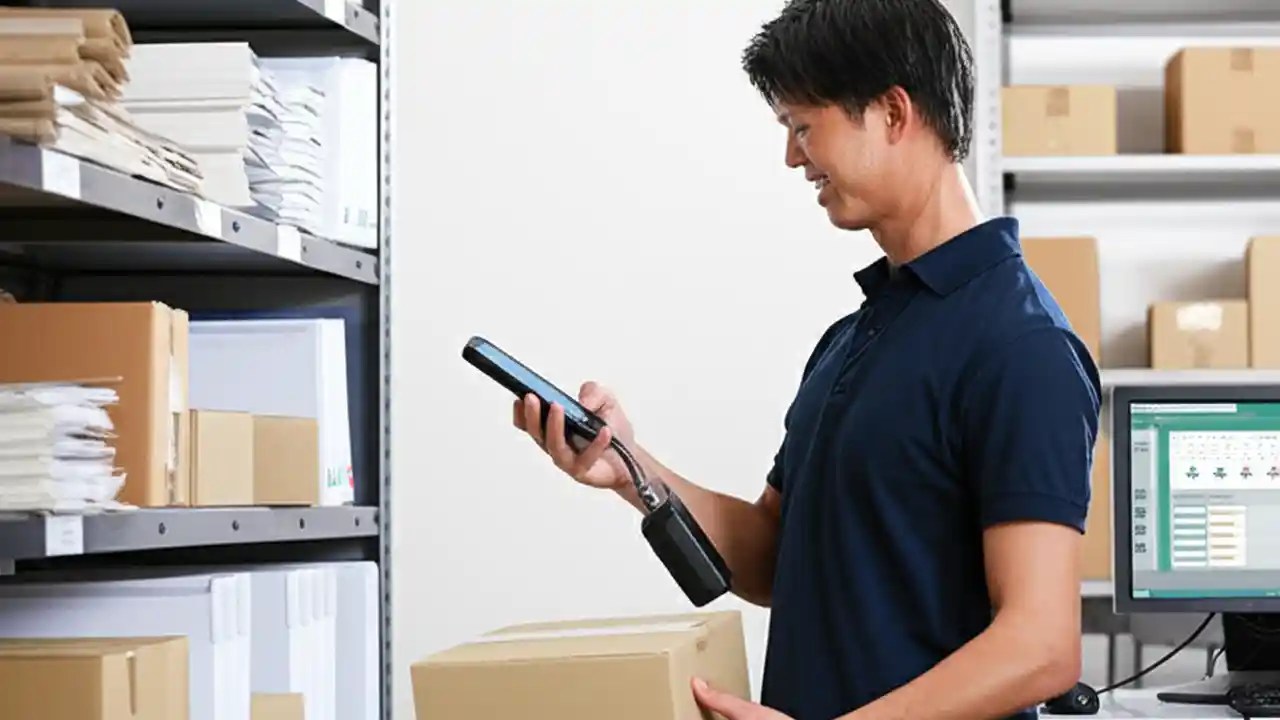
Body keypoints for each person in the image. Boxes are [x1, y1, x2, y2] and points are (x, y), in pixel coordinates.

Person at [511, 0, 1102, 718]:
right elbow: (772, 558)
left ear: (892, 113)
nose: (793, 156)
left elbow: (1039, 646)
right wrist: (632, 469)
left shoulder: (1021, 346)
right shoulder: (855, 336)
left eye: (802, 127)